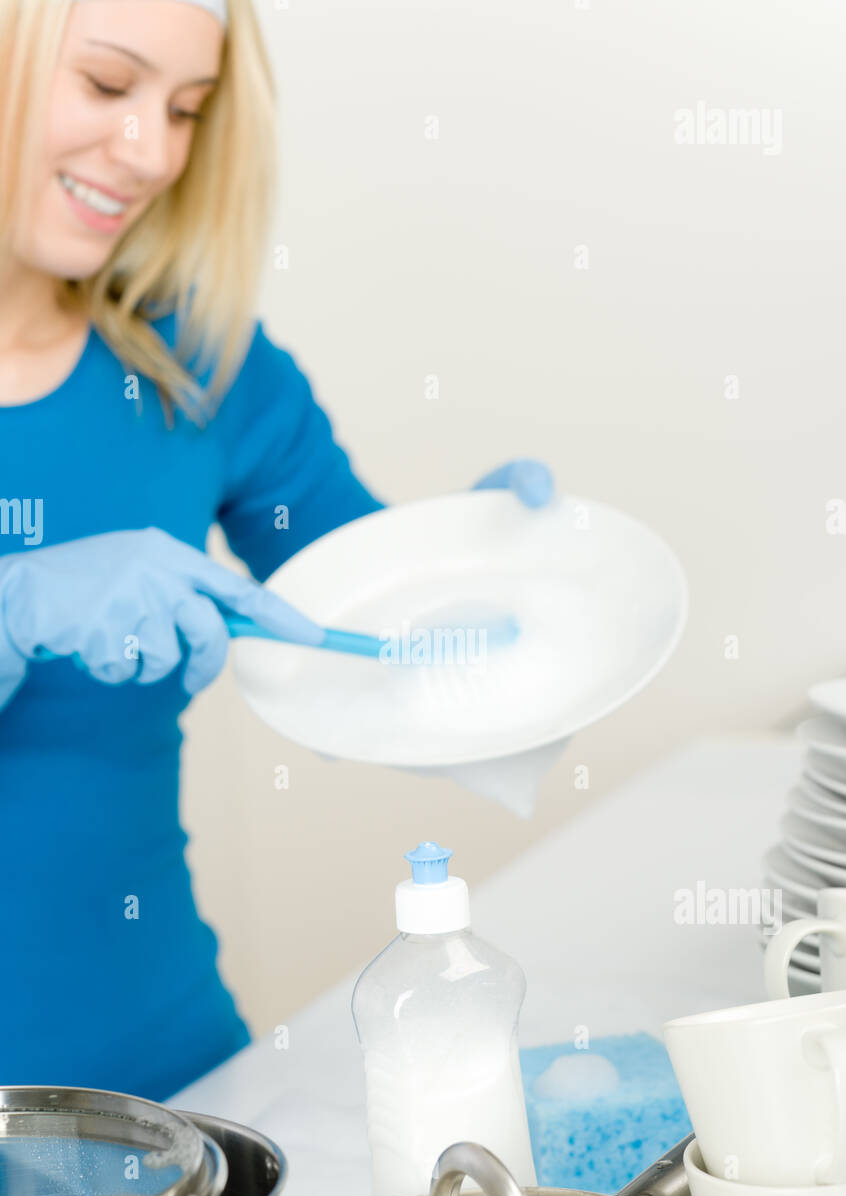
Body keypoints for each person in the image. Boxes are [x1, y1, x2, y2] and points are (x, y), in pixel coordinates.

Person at [0, 0, 553, 1101]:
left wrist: (483, 578)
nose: (150, 151)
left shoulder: (194, 365)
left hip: (177, 1089)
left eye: (187, 111)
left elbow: (371, 638)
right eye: (109, 86)